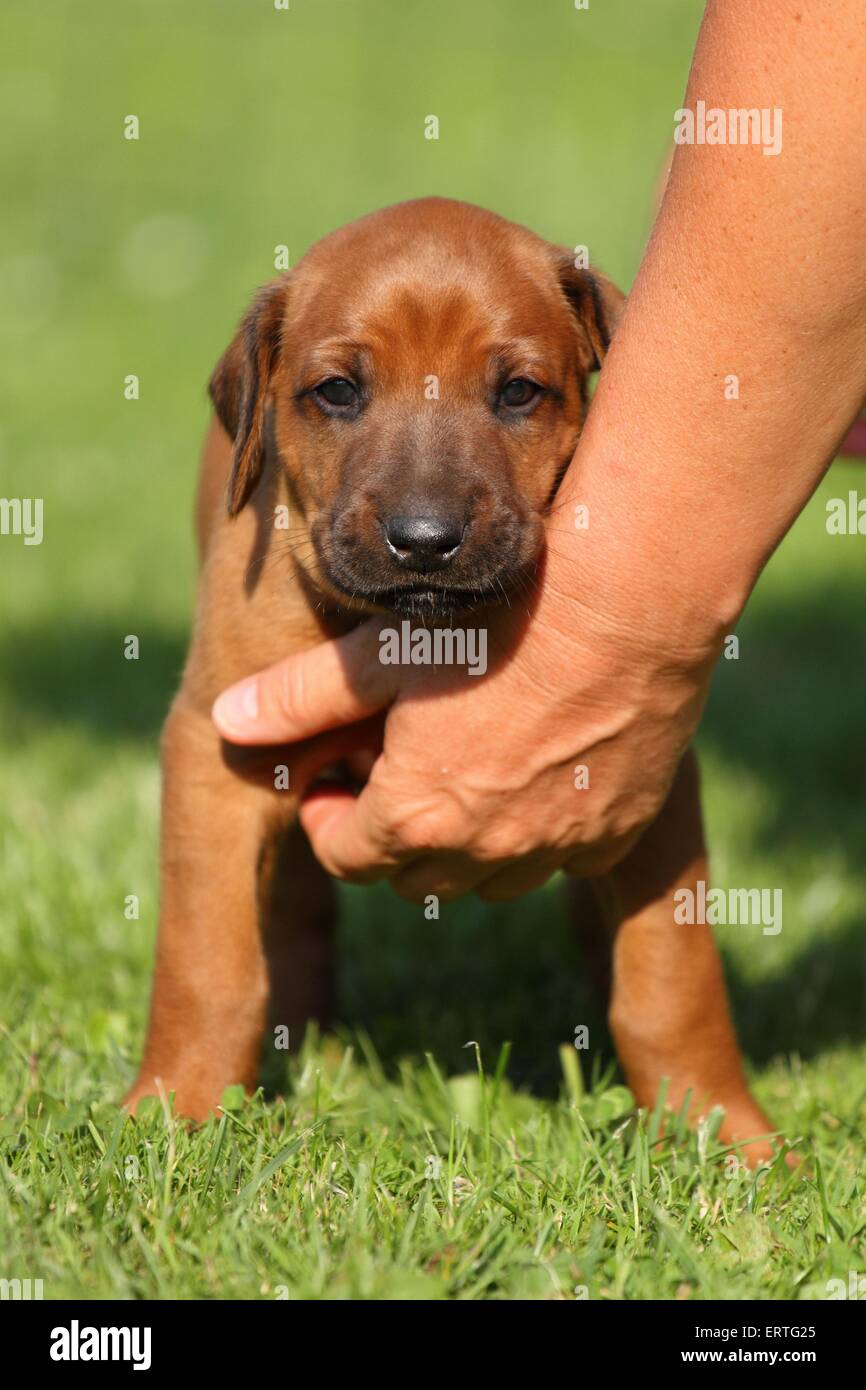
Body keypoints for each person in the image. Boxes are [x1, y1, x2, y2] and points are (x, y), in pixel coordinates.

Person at [212, 0, 866, 902]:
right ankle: (304, 951)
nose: (426, 515)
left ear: (609, 370)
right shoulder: (268, 538)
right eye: (339, 391)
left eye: (517, 394)